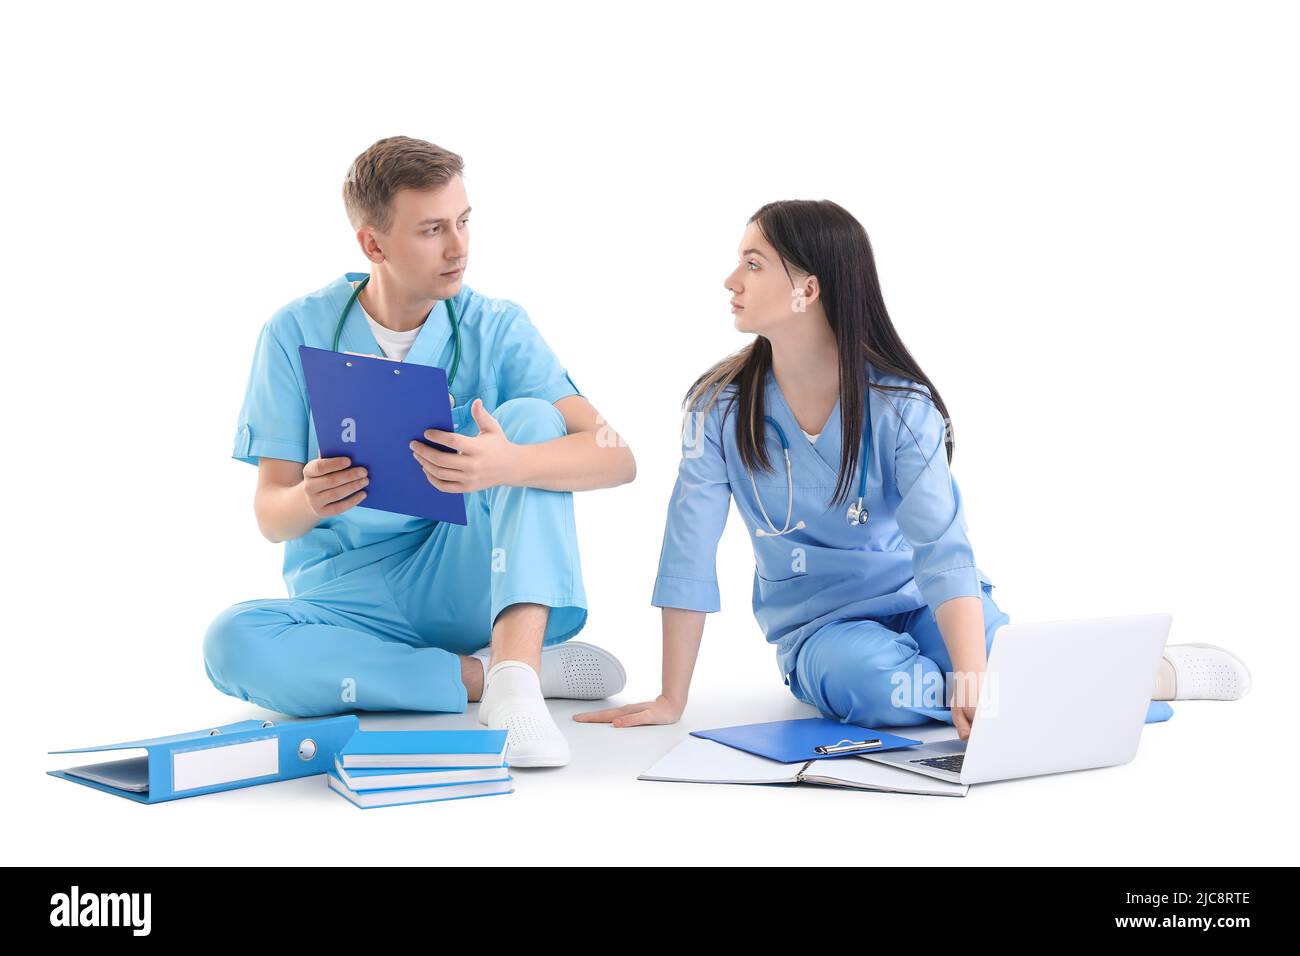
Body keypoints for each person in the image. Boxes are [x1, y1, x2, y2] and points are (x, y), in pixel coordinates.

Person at [577, 199, 1250, 738]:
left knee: (979, 659)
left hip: (927, 600)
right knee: (875, 685)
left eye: (753, 264)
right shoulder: (717, 409)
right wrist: (672, 695)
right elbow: (687, 552)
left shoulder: (900, 407)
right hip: (822, 631)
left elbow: (943, 550)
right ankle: (1072, 688)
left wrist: (972, 669)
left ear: (808, 289)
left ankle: (1149, 675)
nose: (730, 281)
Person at [204, 136, 634, 767]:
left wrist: (508, 463)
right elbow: (271, 515)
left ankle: (514, 676)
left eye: (463, 222)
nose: (458, 247)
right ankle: (482, 677)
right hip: (348, 599)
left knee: (533, 420)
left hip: (465, 575)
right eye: (433, 229)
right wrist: (308, 498)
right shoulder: (293, 332)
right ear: (373, 245)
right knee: (231, 643)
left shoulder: (497, 326)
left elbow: (618, 459)